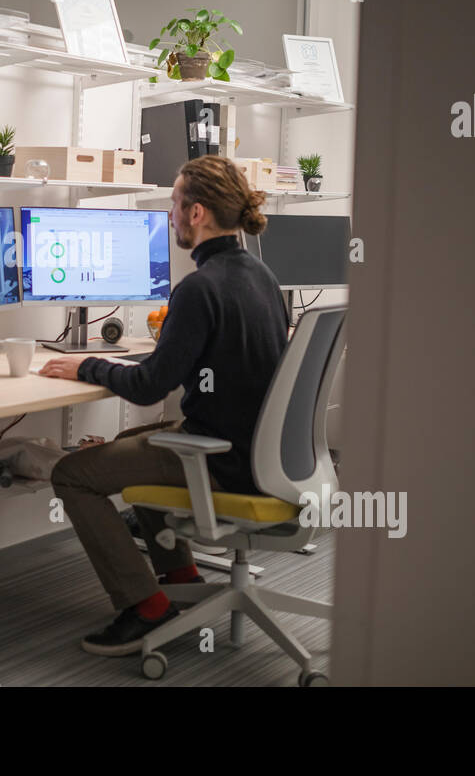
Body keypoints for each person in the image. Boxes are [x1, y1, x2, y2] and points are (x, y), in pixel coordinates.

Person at [39, 155, 290, 657]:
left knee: (71, 474)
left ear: (197, 213)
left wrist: (87, 366)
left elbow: (149, 387)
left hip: (224, 460)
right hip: (258, 452)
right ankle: (179, 574)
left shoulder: (199, 288)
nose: (171, 213)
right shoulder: (259, 274)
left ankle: (145, 606)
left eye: (175, 203)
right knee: (131, 443)